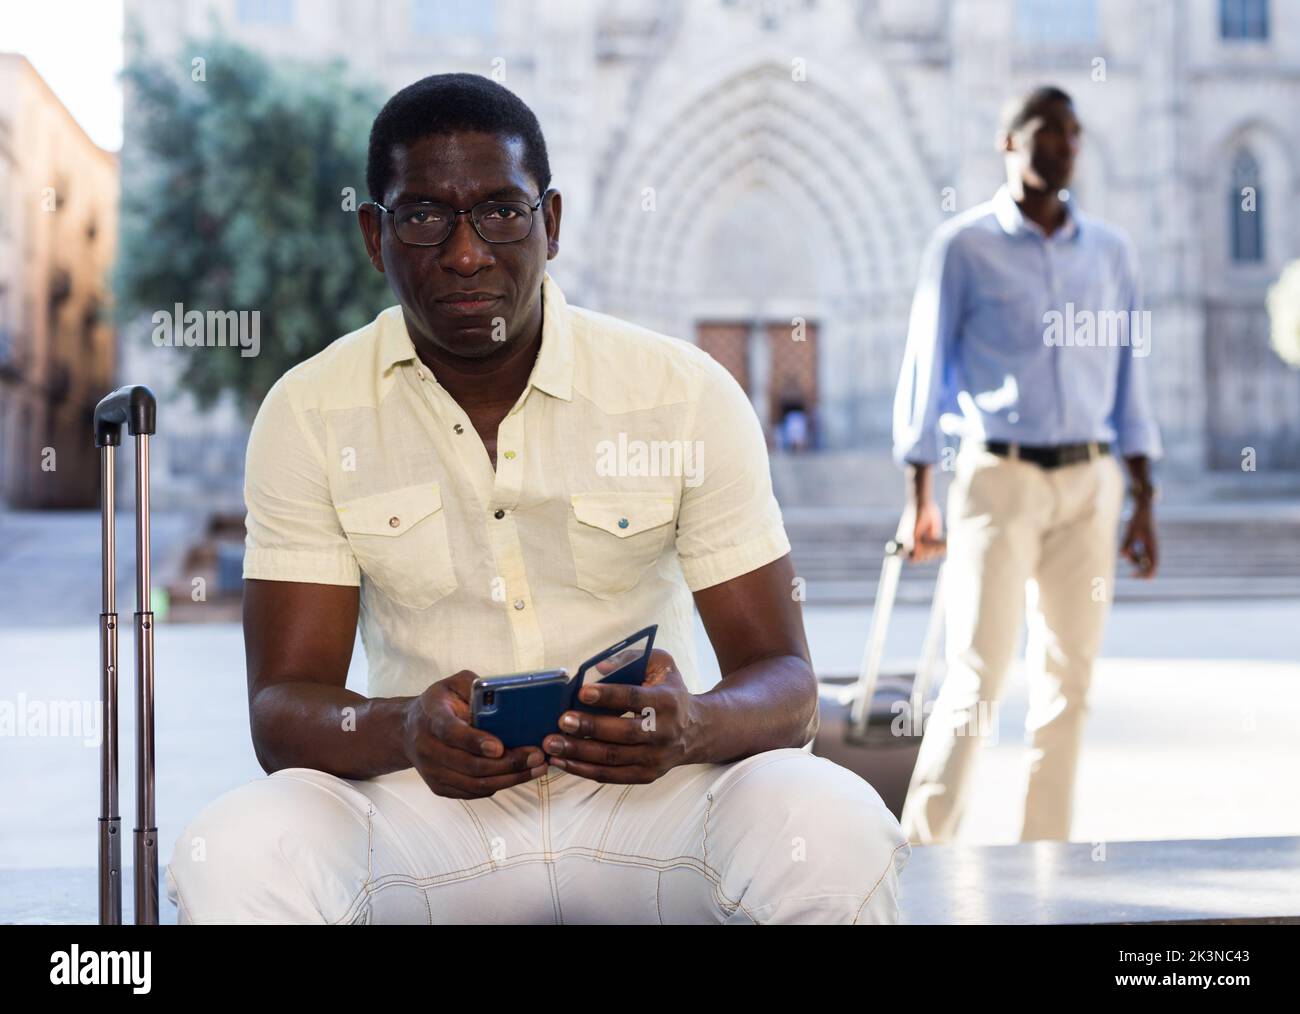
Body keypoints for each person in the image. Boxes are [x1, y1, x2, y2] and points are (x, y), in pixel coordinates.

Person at [164, 73, 909, 924]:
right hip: (425, 814)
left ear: (550, 223)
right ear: (375, 234)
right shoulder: (309, 411)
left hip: (652, 807)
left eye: (501, 211)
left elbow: (790, 684)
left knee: (836, 824)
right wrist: (406, 728)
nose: (466, 251)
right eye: (423, 215)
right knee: (233, 853)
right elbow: (283, 710)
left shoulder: (683, 392)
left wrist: (691, 724)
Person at [891, 85, 1162, 844]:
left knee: (1069, 677)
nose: (1065, 145)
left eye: (1074, 133)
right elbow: (927, 367)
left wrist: (1143, 495)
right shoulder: (964, 246)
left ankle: (1049, 854)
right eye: (1047, 131)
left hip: (1091, 481)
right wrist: (920, 492)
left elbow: (1129, 379)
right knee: (976, 672)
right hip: (997, 480)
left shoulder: (1113, 253)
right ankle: (923, 851)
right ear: (1010, 143)